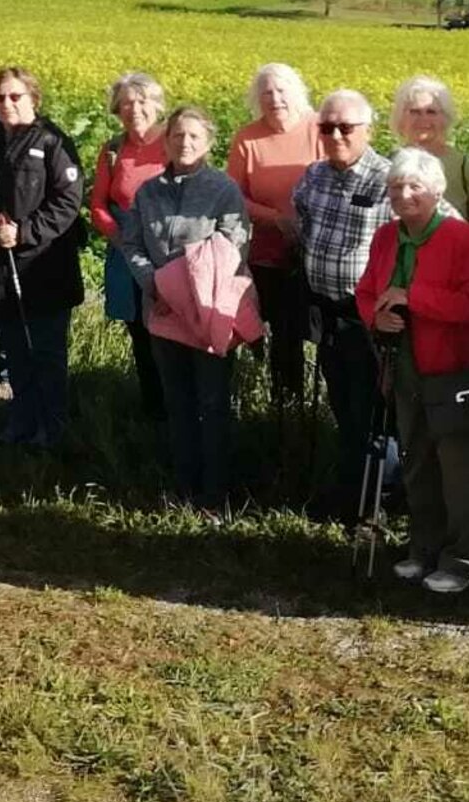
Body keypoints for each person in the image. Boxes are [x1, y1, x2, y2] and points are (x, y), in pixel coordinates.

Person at [355, 148, 469, 593]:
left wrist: (410, 297)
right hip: (403, 369)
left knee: (460, 469)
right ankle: (424, 547)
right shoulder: (386, 237)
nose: (404, 195)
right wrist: (375, 316)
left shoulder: (463, 238)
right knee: (418, 461)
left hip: (457, 370)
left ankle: (465, 558)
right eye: (396, 187)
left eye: (415, 186)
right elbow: (366, 291)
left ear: (437, 191)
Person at [118, 108, 254, 511]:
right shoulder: (148, 192)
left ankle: (214, 496)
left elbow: (235, 246)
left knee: (212, 404)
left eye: (194, 136)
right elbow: (132, 244)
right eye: (178, 135)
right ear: (167, 140)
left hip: (209, 313)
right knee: (177, 404)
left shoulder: (223, 189)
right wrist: (155, 284)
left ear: (209, 142)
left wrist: (188, 286)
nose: (185, 143)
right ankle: (183, 489)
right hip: (162, 312)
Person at [0, 66, 85, 450]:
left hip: (45, 268)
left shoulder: (53, 141)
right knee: (14, 353)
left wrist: (25, 231)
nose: (7, 104)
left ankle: (53, 429)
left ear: (33, 99)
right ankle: (21, 422)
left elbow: (68, 201)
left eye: (16, 97)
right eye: (0, 98)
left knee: (46, 353)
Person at [293, 89, 392, 517]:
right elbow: (301, 225)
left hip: (370, 320)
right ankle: (351, 493)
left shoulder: (390, 179)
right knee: (344, 409)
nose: (335, 134)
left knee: (376, 415)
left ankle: (381, 501)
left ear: (368, 130)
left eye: (345, 127)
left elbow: (436, 231)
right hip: (328, 316)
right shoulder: (313, 176)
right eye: (326, 127)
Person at [225, 64, 322, 414]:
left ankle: (302, 410)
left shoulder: (319, 129)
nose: (275, 98)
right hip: (265, 255)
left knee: (302, 336)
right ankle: (263, 404)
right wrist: (275, 219)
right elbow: (234, 196)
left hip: (314, 256)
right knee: (263, 333)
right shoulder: (247, 139)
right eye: (266, 92)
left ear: (297, 92)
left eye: (281, 91)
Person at [91, 71, 170, 420]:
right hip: (127, 254)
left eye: (142, 101)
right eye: (126, 103)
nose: (134, 109)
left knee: (172, 333)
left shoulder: (175, 142)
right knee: (139, 332)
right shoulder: (111, 151)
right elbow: (97, 206)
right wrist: (123, 240)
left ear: (157, 106)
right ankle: (152, 412)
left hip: (171, 255)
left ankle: (179, 410)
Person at [388, 75, 469, 256]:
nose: (423, 119)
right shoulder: (388, 164)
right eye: (414, 111)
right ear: (401, 118)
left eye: (431, 112)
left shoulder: (464, 169)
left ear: (445, 118)